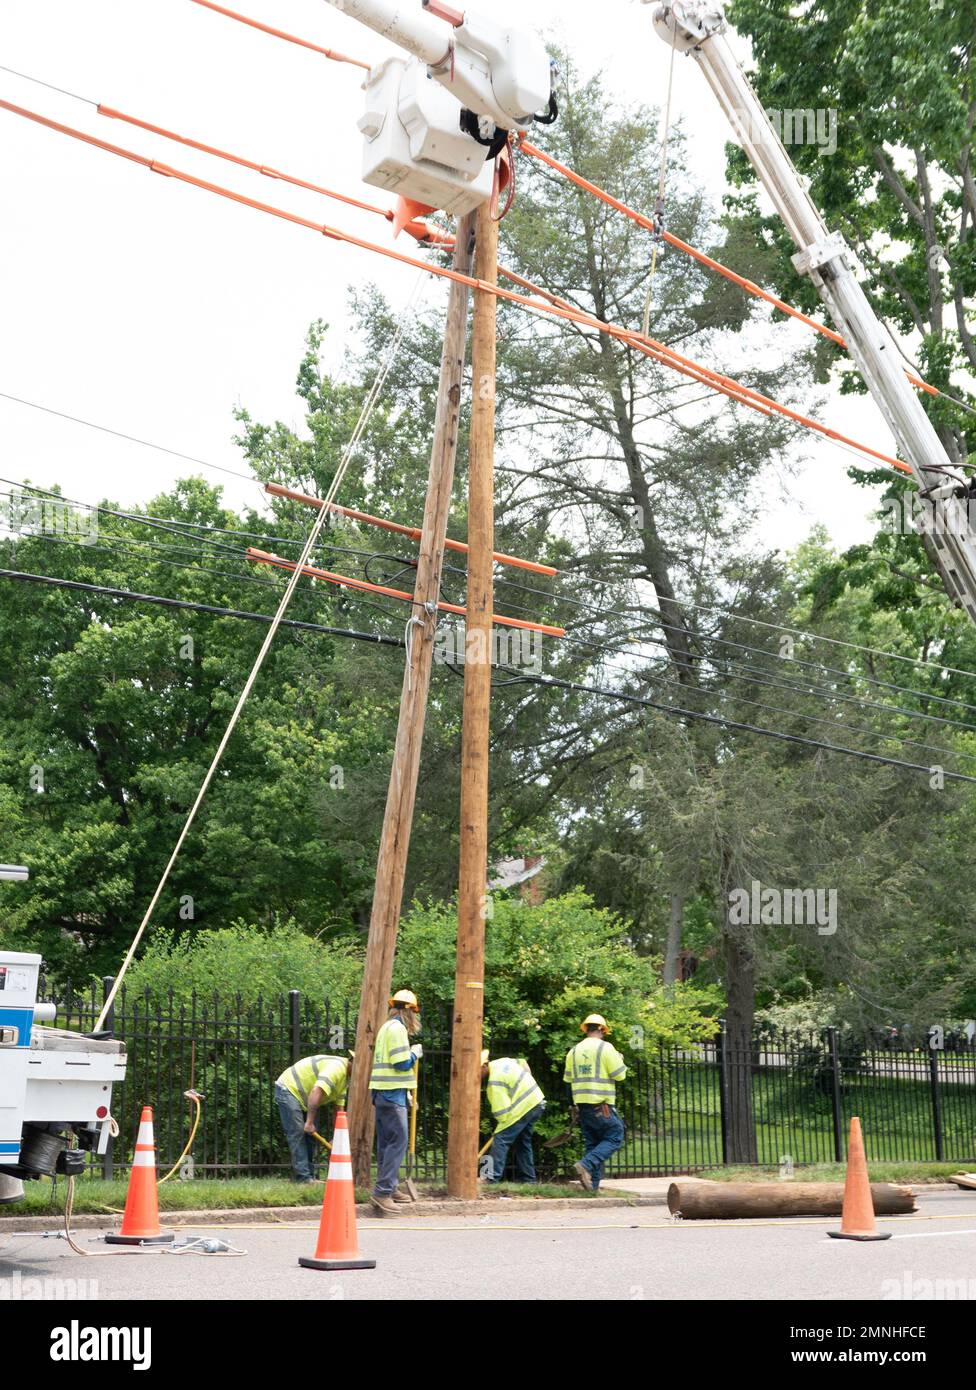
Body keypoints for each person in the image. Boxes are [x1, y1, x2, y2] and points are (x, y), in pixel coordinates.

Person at [369, 988, 422, 1215]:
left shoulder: (385, 1028)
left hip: (384, 1092)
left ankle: (389, 1188)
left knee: (386, 1144)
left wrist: (407, 1093)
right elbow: (400, 1063)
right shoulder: (398, 1029)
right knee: (398, 1141)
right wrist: (414, 1054)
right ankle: (382, 1192)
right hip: (391, 1094)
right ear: (410, 1012)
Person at [564, 1014, 627, 1194]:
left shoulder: (573, 1051)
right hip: (602, 1106)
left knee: (593, 1145)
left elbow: (567, 1082)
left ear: (586, 1029)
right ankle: (585, 1164)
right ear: (601, 1029)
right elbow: (620, 1075)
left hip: (583, 1107)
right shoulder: (606, 1048)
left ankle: (593, 1188)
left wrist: (573, 1106)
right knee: (615, 1136)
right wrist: (620, 1059)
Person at [274, 1052, 352, 1184]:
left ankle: (309, 1176)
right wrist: (309, 1122)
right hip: (288, 1088)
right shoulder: (337, 1069)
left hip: (304, 1097)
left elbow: (338, 1110)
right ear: (354, 1062)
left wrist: (336, 1137)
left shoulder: (346, 1080)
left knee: (310, 1137)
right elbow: (316, 1091)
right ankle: (304, 1179)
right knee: (298, 1133)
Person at [480, 1049, 545, 1184]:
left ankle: (492, 1179)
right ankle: (529, 1180)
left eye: (477, 1071)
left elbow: (502, 1114)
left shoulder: (495, 1082)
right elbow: (523, 1063)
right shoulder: (502, 1061)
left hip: (524, 1107)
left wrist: (501, 1129)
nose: (476, 1076)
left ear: (484, 1066)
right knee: (522, 1142)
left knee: (501, 1140)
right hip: (537, 1101)